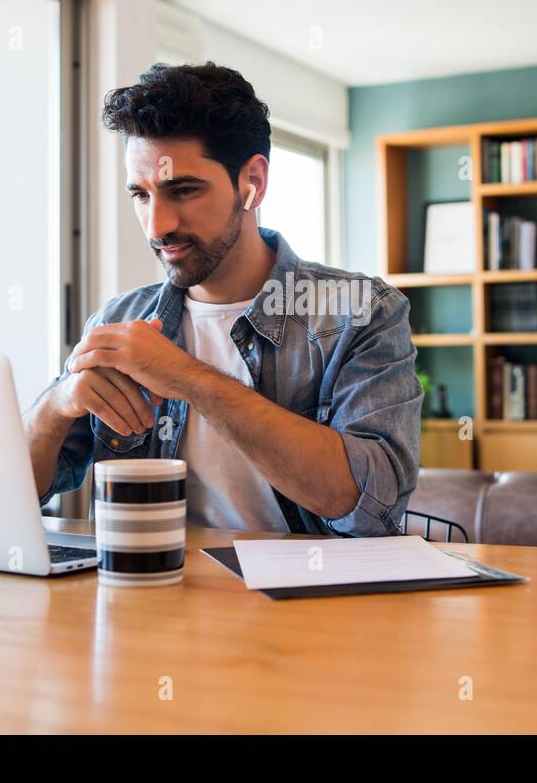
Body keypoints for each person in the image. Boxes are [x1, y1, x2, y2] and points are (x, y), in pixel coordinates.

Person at [23, 62, 422, 536]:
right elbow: (14, 493)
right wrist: (56, 405)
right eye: (141, 195)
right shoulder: (119, 320)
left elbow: (366, 504)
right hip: (147, 594)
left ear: (252, 181)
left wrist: (186, 377)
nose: (157, 226)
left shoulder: (361, 310)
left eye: (183, 190)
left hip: (310, 604)